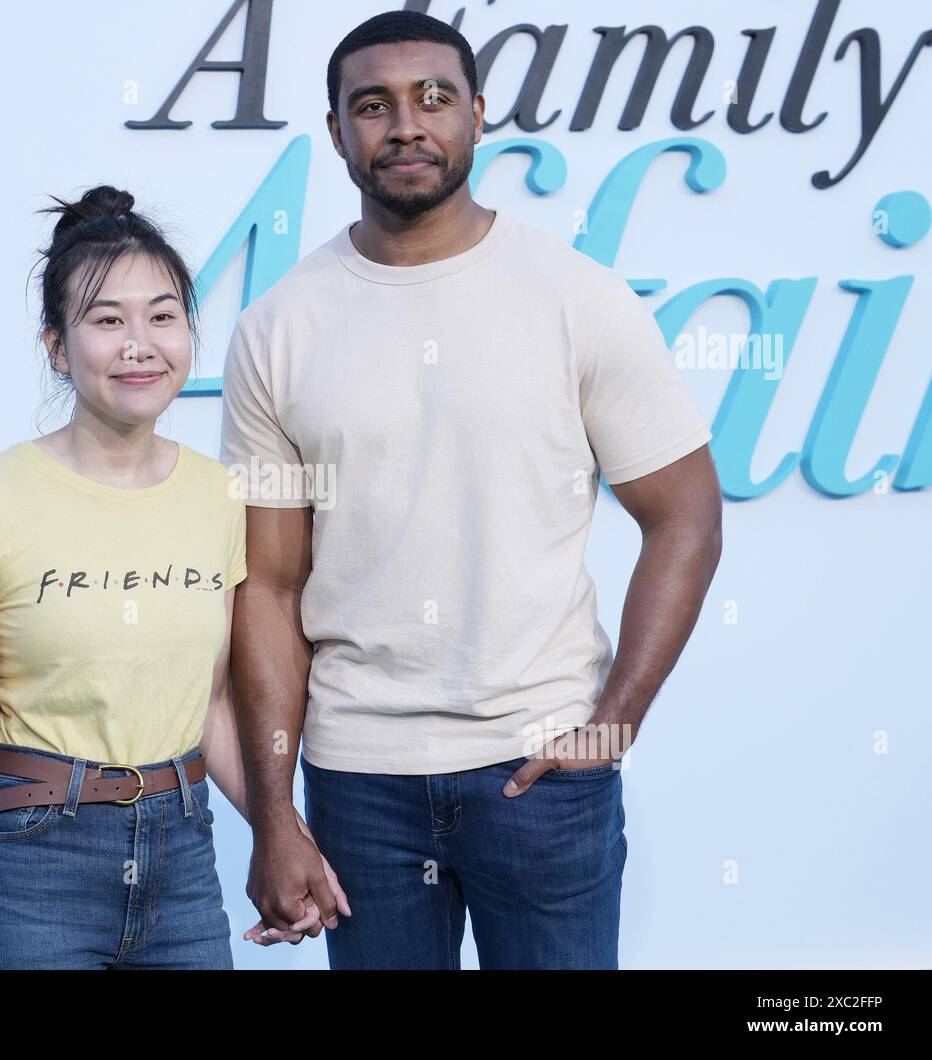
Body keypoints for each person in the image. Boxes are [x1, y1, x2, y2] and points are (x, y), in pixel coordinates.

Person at [220, 11, 723, 969]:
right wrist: (275, 813)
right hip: (358, 782)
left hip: (538, 776)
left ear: (479, 116)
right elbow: (270, 587)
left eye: (434, 98)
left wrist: (614, 719)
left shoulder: (576, 297)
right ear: (336, 132)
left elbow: (686, 516)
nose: (405, 125)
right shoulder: (278, 329)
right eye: (373, 105)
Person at [0, 185, 347, 969]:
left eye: (163, 316)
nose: (139, 343)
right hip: (33, 860)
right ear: (56, 346)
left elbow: (209, 705)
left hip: (182, 853)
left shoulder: (222, 497)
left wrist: (287, 836)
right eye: (107, 320)